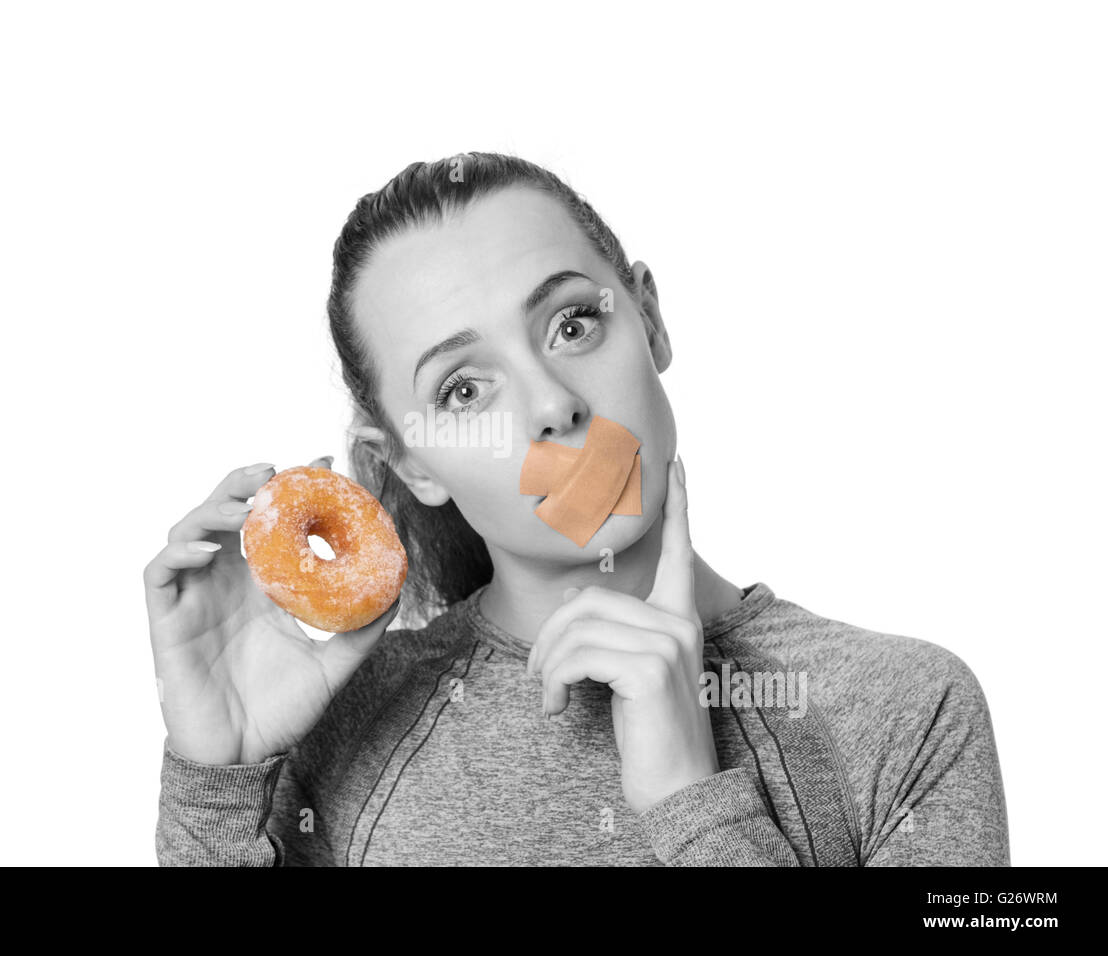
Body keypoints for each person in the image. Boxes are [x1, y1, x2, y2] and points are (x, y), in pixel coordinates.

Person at [144, 152, 1009, 866]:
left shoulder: (907, 708)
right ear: (408, 462)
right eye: (465, 389)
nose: (553, 405)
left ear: (651, 318)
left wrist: (694, 805)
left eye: (571, 325)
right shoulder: (348, 733)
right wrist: (216, 785)